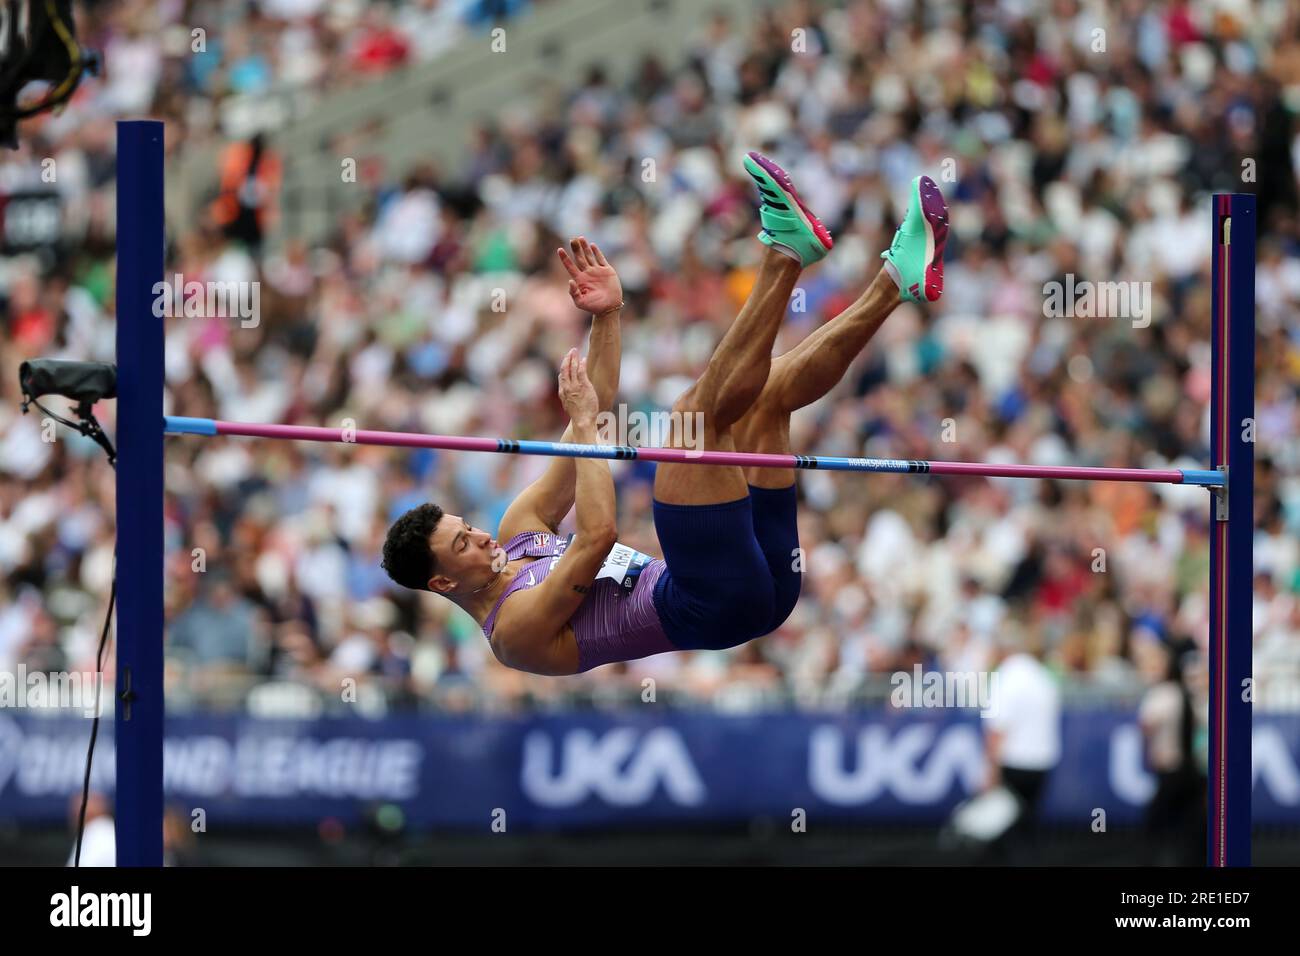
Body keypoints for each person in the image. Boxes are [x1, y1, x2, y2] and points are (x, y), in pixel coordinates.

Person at [382, 152, 947, 675]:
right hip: (709, 601)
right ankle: (785, 254)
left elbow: (597, 405)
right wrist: (581, 425)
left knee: (767, 398)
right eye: (463, 546)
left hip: (756, 581)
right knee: (693, 419)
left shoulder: (518, 530)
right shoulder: (513, 633)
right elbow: (598, 535)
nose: (481, 537)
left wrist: (609, 317)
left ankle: (896, 281)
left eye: (467, 527)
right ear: (441, 581)